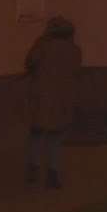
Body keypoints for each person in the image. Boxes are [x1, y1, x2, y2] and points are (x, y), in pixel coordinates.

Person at [24, 17, 82, 189]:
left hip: (40, 96)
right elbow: (76, 72)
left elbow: (30, 63)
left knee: (35, 132)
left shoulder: (43, 46)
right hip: (62, 98)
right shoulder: (74, 50)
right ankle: (52, 174)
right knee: (55, 136)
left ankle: (33, 168)